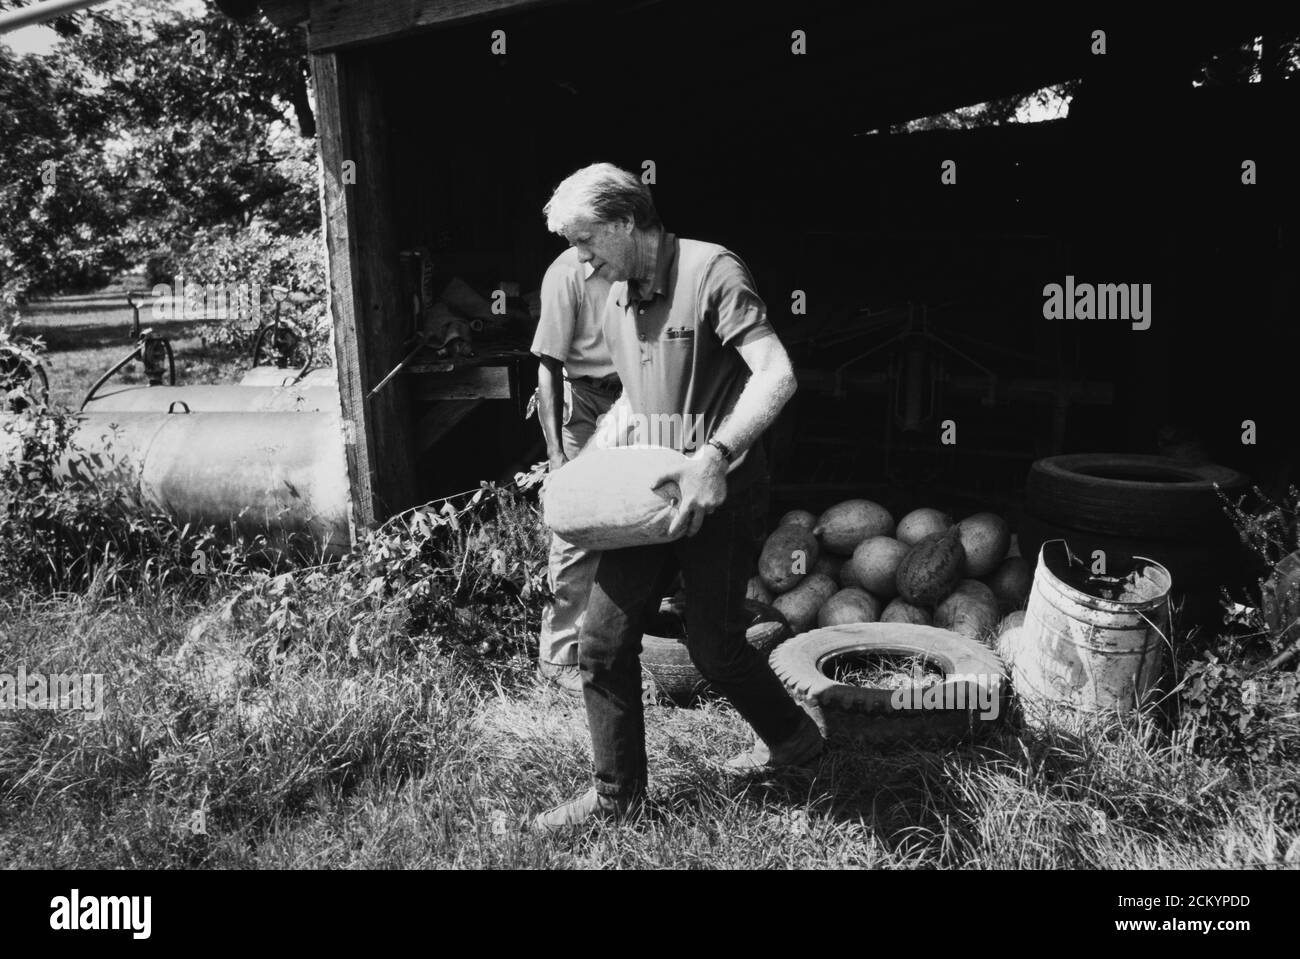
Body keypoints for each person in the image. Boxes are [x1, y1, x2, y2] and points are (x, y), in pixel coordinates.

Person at [530, 163, 824, 832]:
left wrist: (715, 456)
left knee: (715, 648)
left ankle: (797, 744)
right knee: (601, 640)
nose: (581, 261)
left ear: (627, 223)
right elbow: (640, 396)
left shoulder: (714, 270)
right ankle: (618, 801)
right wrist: (591, 459)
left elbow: (777, 374)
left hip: (724, 493)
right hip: (655, 498)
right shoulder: (614, 295)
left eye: (586, 242)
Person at [530, 247, 622, 697]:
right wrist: (556, 458)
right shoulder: (566, 272)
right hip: (582, 397)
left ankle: (621, 636)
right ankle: (560, 652)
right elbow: (547, 366)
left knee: (637, 509)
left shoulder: (637, 264)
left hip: (633, 396)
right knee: (576, 524)